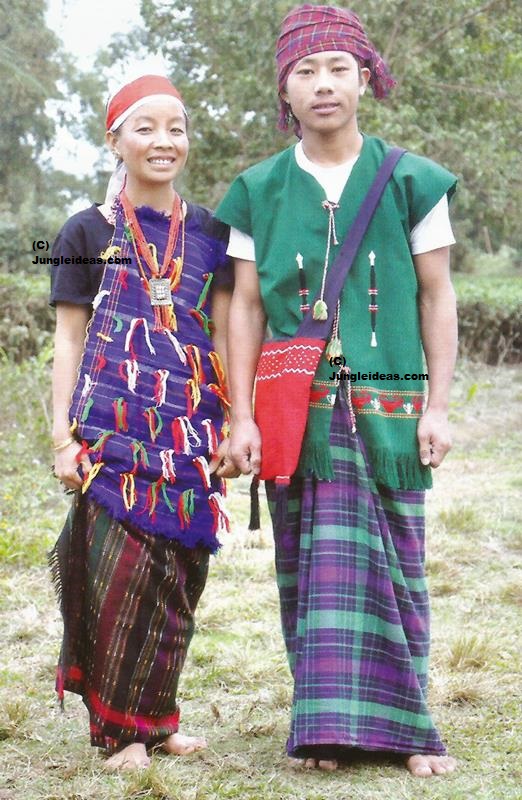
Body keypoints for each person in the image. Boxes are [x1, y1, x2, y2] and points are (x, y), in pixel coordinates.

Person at [216, 5, 458, 778]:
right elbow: (245, 306)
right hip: (300, 413)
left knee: (401, 565)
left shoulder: (411, 179)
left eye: (338, 70)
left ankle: (410, 731)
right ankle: (325, 729)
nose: (323, 85)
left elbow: (436, 295)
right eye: (305, 71)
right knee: (308, 565)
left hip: (390, 411)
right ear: (283, 88)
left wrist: (439, 405)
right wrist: (241, 415)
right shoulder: (256, 189)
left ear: (365, 80)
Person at [49, 74, 236, 770]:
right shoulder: (81, 231)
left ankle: (158, 720)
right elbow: (69, 339)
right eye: (146, 127)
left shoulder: (214, 232)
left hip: (187, 436)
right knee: (117, 582)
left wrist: (233, 423)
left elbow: (222, 335)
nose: (163, 141)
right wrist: (62, 437)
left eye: (176, 128)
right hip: (109, 438)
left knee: (180, 583)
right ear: (115, 139)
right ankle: (118, 733)